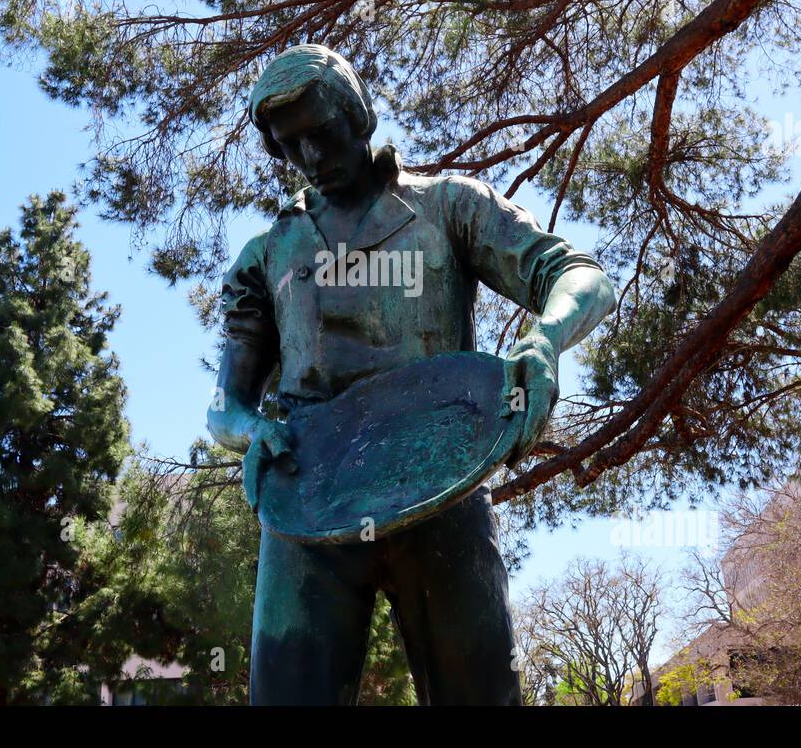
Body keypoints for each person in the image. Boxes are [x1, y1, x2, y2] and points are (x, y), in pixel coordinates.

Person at [207, 44, 616, 704]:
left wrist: (545, 340)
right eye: (289, 146)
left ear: (358, 114)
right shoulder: (267, 255)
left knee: (482, 696)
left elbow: (581, 276)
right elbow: (225, 404)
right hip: (310, 494)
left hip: (443, 481)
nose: (309, 157)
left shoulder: (449, 207)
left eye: (322, 133)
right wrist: (248, 429)